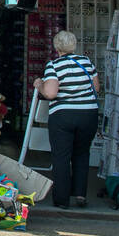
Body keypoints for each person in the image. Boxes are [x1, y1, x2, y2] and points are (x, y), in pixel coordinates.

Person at [34, 30, 100, 209]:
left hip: (63, 115)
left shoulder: (54, 65)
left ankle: (62, 200)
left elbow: (51, 93)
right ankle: (80, 194)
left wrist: (39, 85)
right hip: (89, 114)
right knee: (82, 153)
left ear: (57, 47)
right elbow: (96, 87)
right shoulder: (86, 62)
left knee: (61, 156)